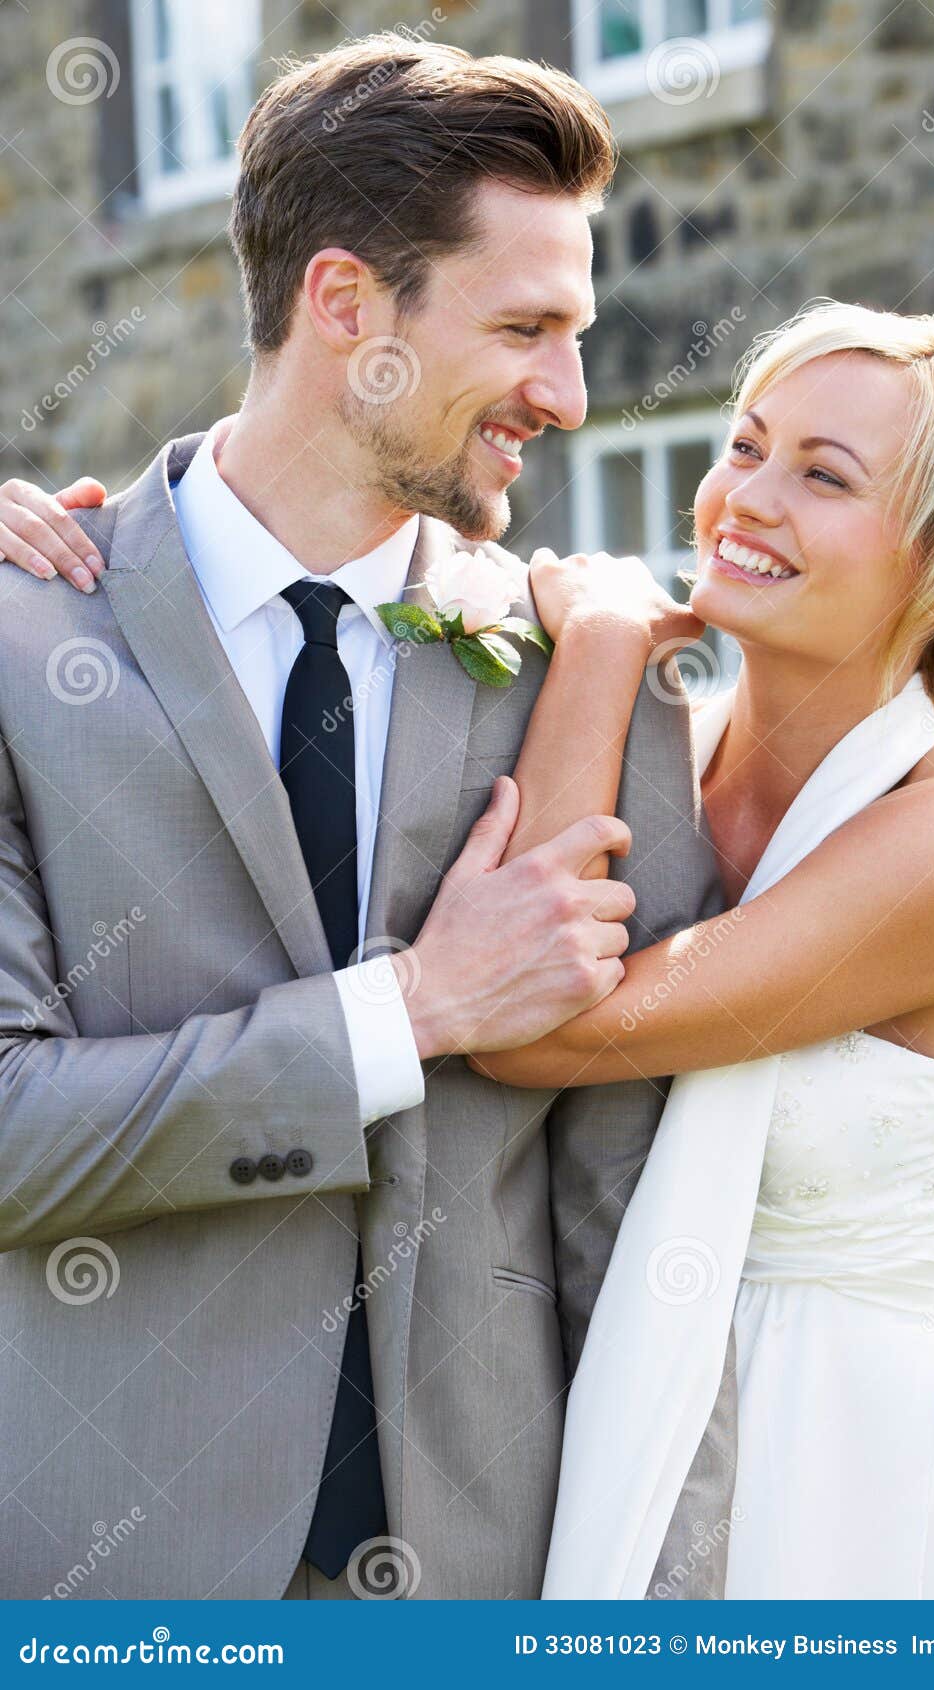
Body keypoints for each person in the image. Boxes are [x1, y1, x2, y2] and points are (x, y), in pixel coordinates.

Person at [0, 36, 722, 1601]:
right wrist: (416, 1009)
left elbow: (628, 1199)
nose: (571, 396)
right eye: (525, 328)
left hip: (490, 1584)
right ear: (347, 309)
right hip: (104, 1579)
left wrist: (660, 1607)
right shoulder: (16, 643)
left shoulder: (583, 662)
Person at [470, 301, 934, 1599]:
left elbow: (540, 1018)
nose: (749, 495)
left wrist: (605, 644)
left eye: (824, 474)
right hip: (626, 1415)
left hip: (873, 1470)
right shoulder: (664, 761)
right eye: (745, 445)